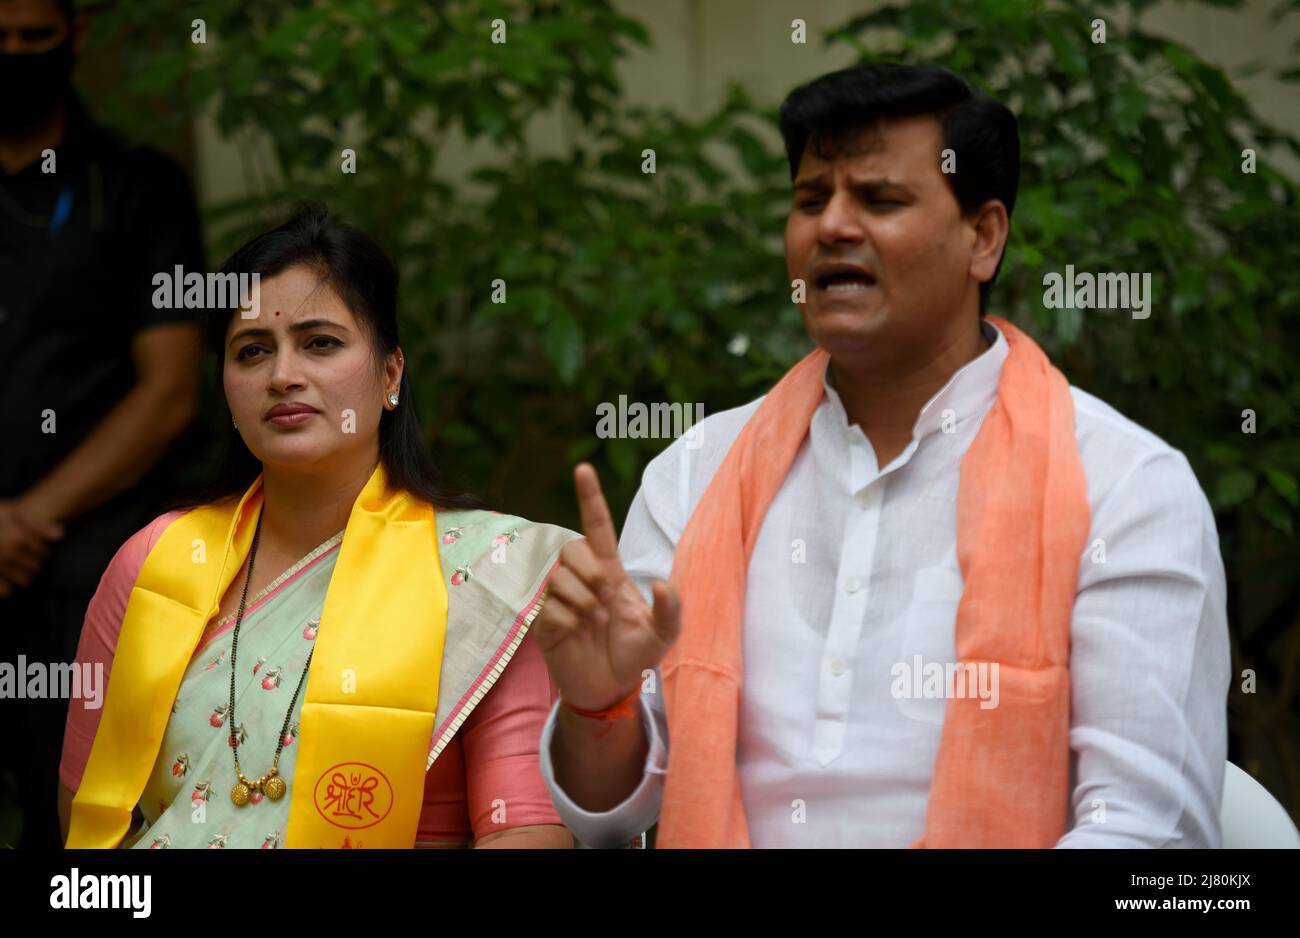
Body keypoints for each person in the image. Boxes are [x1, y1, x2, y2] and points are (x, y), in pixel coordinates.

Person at [531, 63, 1231, 848]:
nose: (833, 225)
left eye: (880, 199)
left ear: (983, 237)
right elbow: (619, 813)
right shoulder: (695, 473)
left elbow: (1145, 834)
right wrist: (598, 705)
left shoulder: (1126, 486)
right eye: (809, 200)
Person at [59, 206, 577, 848]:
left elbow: (523, 831)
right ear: (226, 386)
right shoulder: (155, 563)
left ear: (390, 374)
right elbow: (92, 814)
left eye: (320, 342)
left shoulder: (488, 573)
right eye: (252, 352)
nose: (283, 376)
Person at [0, 0, 204, 848]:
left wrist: (23, 520)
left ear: (77, 36)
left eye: (33, 38)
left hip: (84, 570)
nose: (12, 55)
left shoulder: (136, 186)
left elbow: (169, 391)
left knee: (88, 821)